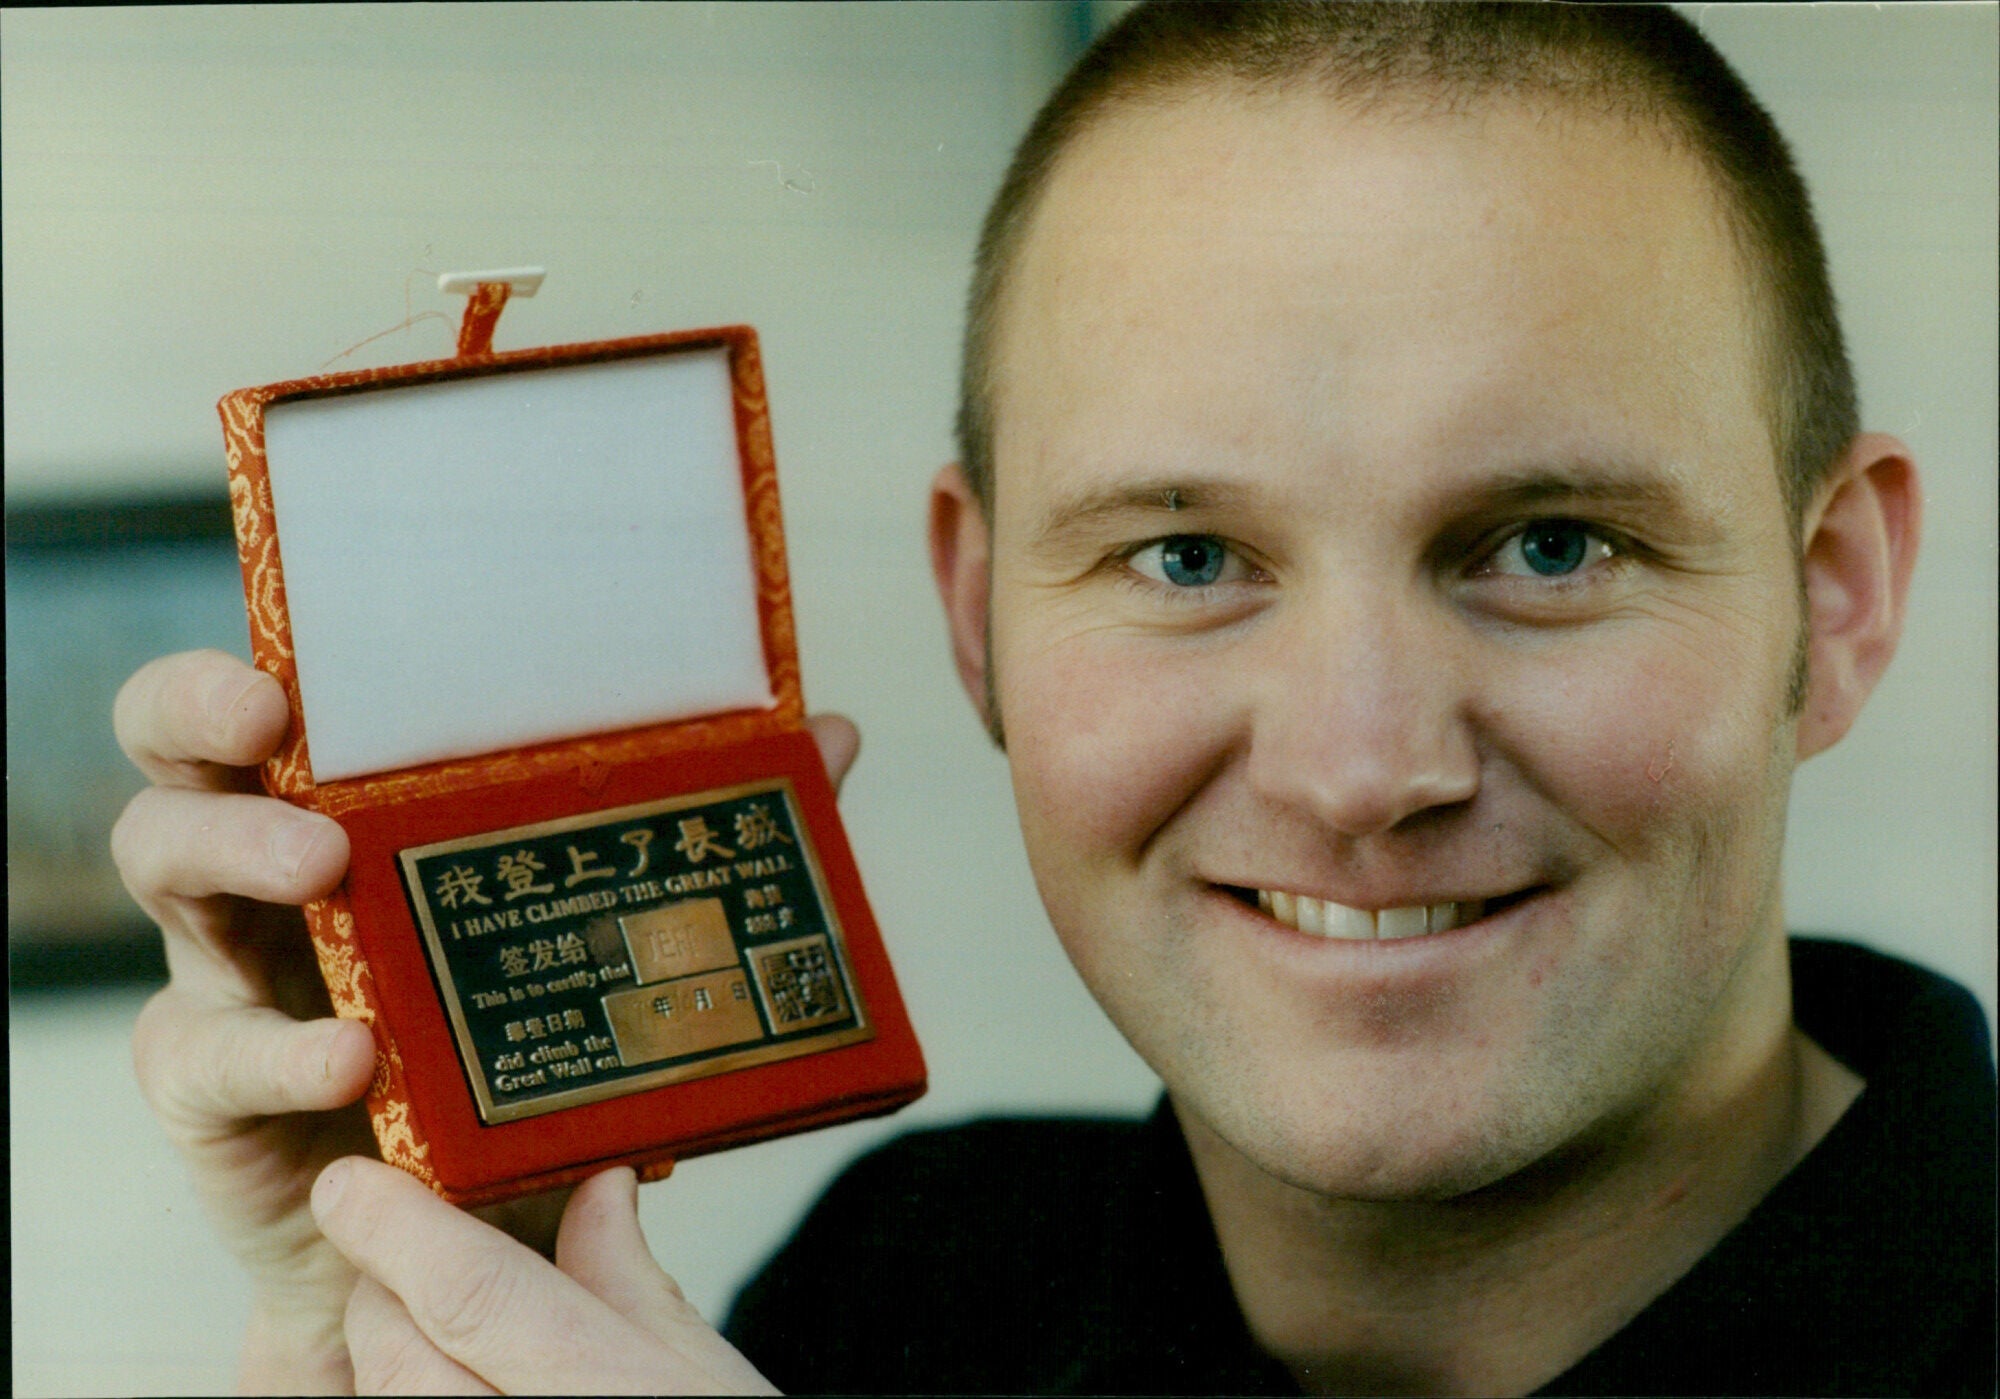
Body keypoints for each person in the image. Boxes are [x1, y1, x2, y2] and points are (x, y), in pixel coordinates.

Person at [114, 4, 1992, 1394]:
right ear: (975, 614)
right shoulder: (912, 1286)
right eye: (1185, 558)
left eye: (1554, 545)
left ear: (1839, 599)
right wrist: (380, 1306)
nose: (1364, 769)